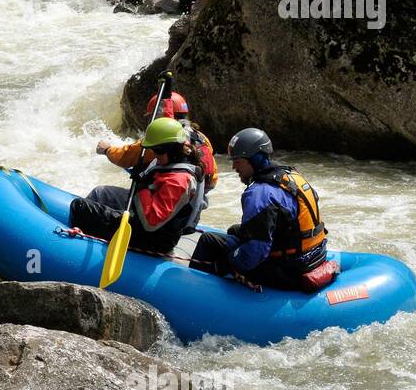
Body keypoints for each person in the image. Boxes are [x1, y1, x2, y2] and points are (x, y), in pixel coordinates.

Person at [190, 127, 335, 292]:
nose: (234, 167)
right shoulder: (291, 176)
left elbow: (253, 254)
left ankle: (196, 290)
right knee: (235, 231)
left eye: (238, 161)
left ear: (254, 159)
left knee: (209, 241)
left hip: (290, 270)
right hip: (314, 257)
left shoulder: (259, 193)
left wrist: (228, 262)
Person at [69, 117, 207, 255]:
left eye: (157, 151)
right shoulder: (174, 157)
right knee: (101, 193)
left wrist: (142, 187)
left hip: (153, 238)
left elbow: (150, 223)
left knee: (80, 207)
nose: (153, 154)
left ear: (171, 149)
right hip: (149, 215)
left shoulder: (178, 181)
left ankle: (75, 246)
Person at [98, 90, 218, 191]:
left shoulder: (161, 138)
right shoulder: (200, 137)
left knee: (101, 193)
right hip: (196, 196)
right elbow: (212, 175)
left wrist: (107, 149)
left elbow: (124, 157)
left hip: (164, 195)